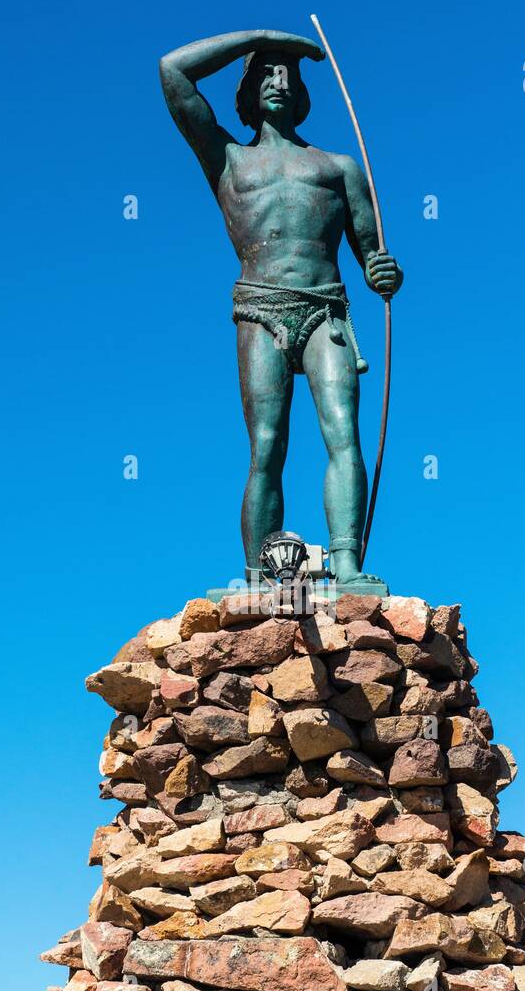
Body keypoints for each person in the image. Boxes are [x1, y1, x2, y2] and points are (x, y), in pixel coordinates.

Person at [160, 29, 403, 587]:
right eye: (265, 73)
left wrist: (384, 272)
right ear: (246, 90)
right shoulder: (227, 160)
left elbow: (372, 257)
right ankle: (259, 575)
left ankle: (346, 565)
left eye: (287, 74)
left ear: (301, 93)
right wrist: (262, 37)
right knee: (267, 444)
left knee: (343, 432)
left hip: (326, 312)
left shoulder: (338, 167)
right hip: (261, 308)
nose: (279, 81)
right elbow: (173, 73)